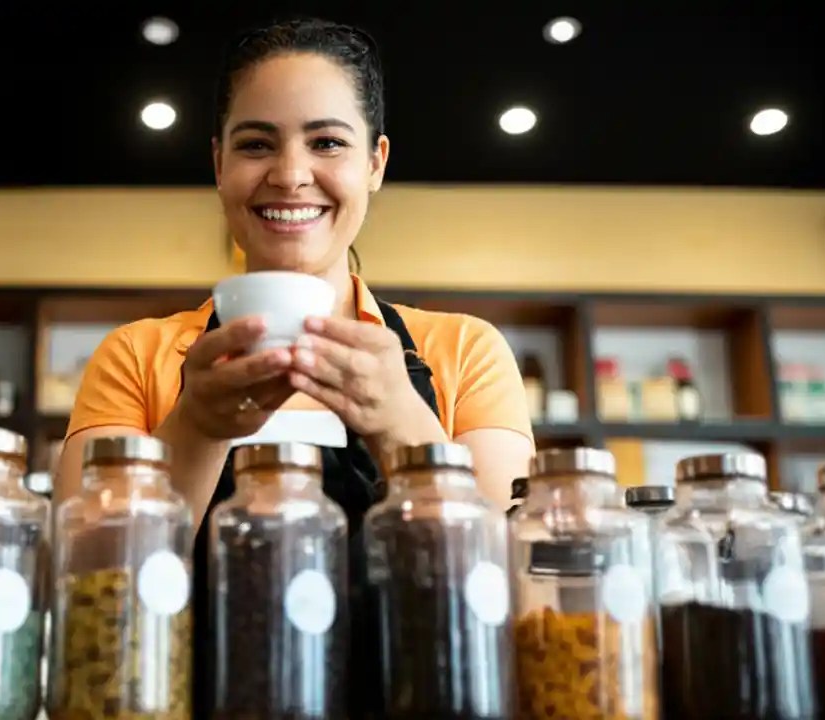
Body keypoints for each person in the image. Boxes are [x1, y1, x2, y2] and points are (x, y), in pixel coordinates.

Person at [55, 16, 534, 717]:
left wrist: (401, 423)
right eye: (256, 144)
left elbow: (512, 586)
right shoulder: (137, 356)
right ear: (218, 163)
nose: (289, 174)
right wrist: (195, 427)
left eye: (328, 142)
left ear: (375, 162)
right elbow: (83, 593)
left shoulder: (464, 350)